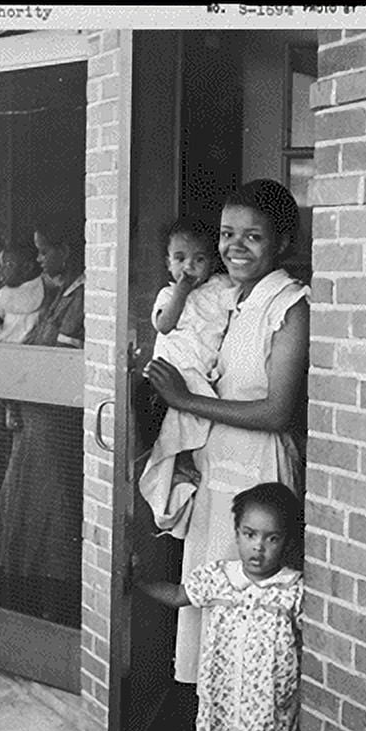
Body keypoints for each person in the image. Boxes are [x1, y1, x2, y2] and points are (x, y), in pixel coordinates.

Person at [146, 179, 310, 731]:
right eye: (226, 235)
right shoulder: (223, 297)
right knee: (215, 630)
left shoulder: (289, 305)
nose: (236, 247)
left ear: (282, 243)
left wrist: (186, 405)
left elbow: (275, 410)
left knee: (253, 640)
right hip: (219, 474)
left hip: (259, 481)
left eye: (253, 236)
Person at [135, 482, 304, 731]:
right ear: (237, 533)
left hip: (273, 704)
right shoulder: (221, 578)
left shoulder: (293, 589)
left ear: (287, 542)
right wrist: (137, 581)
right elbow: (178, 595)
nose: (258, 548)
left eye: (271, 538)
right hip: (237, 700)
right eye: (249, 535)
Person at [0, 214, 85, 623]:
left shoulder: (81, 297)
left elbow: (56, 363)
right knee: (26, 515)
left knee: (51, 520)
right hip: (33, 424)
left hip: (53, 428)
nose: (40, 259)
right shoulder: (57, 292)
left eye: (45, 251)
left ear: (68, 249)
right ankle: (26, 614)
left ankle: (53, 616)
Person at [138, 218, 234, 538]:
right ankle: (174, 478)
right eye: (180, 259)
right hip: (168, 376)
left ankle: (184, 471)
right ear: (168, 263)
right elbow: (165, 325)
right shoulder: (167, 295)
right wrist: (181, 290)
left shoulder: (220, 289)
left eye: (199, 259)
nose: (188, 267)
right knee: (169, 434)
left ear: (212, 262)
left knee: (196, 428)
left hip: (199, 379)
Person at [0, 243, 45, 344]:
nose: (1, 270)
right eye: (1, 265)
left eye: (8, 265)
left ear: (27, 267)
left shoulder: (44, 287)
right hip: (5, 346)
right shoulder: (4, 293)